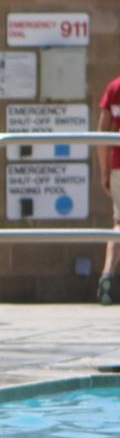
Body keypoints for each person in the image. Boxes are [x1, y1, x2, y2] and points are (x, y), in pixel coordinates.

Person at [100, 72, 120, 305]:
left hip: (118, 166)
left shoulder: (114, 87)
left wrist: (104, 171)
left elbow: (102, 133)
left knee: (119, 223)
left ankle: (107, 272)